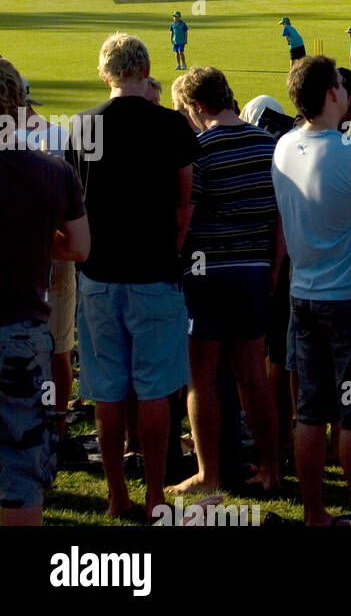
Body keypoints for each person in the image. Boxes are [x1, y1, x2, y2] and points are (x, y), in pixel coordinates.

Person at [73, 34, 198, 521]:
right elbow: (184, 201)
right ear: (143, 68)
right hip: (154, 272)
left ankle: (116, 495)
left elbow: (74, 205)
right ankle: (154, 496)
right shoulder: (169, 123)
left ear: (105, 72)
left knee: (107, 389)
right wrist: (172, 245)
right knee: (153, 390)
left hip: (99, 274)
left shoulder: (83, 125)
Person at [274, 55, 351, 527]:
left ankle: (314, 513)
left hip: (305, 295)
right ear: (331, 94)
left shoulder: (285, 146)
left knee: (310, 412)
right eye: (342, 87)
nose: (348, 94)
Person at [170, 66, 281, 496]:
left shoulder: (198, 150)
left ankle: (209, 473)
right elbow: (280, 218)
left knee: (203, 376)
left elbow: (187, 215)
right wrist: (271, 268)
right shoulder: (270, 145)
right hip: (254, 271)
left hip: (207, 274)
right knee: (253, 374)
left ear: (197, 106)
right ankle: (271, 469)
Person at [0, 58, 89, 526]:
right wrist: (36, 234)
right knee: (20, 473)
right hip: (21, 331)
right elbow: (79, 248)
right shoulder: (53, 172)